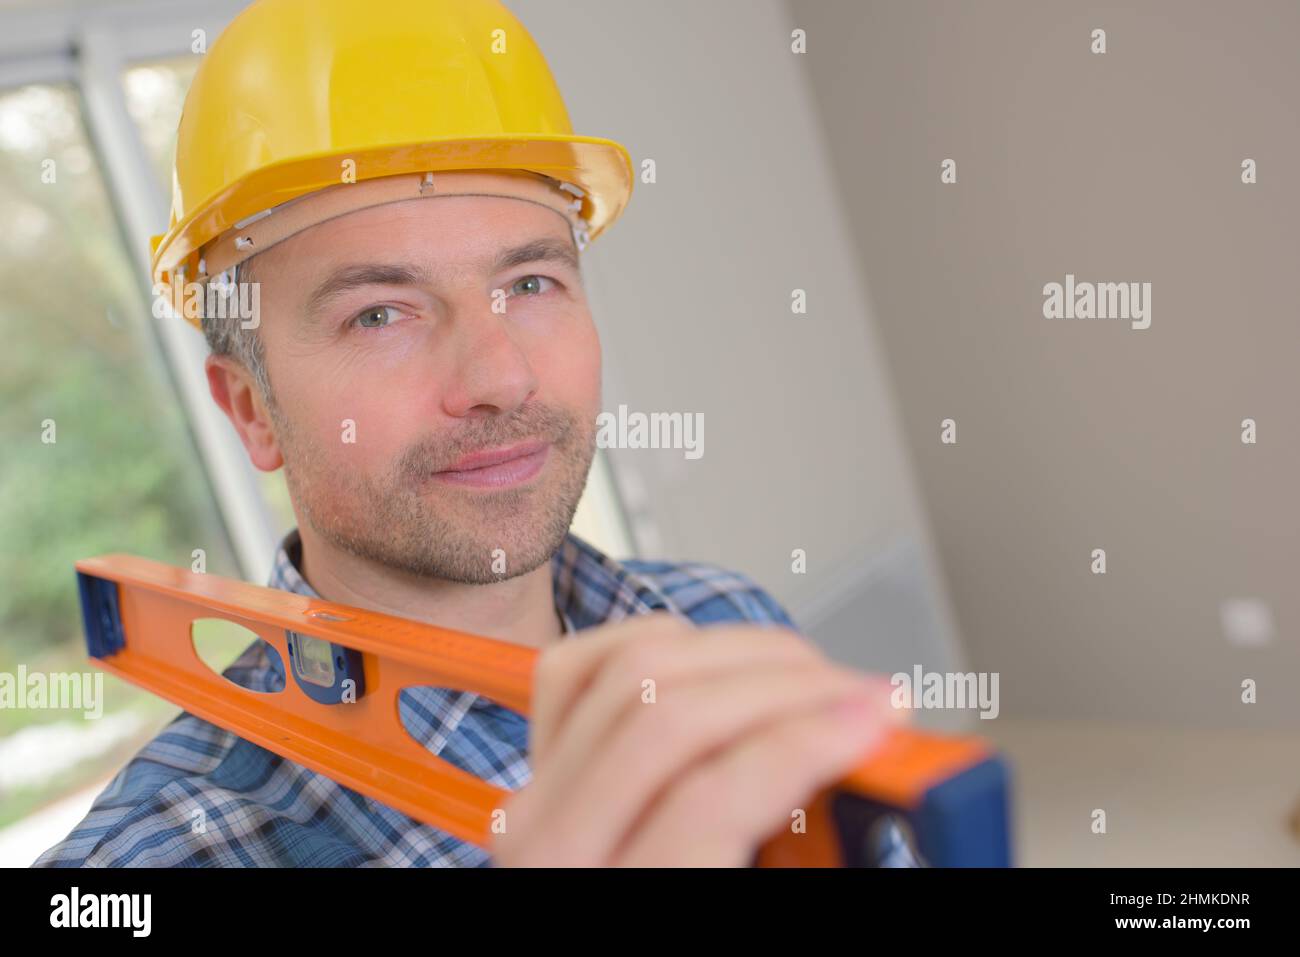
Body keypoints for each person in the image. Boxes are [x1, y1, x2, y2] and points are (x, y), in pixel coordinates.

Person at [34, 0, 910, 867]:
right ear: (251, 410)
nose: (500, 377)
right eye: (380, 313)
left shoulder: (724, 622)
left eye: (530, 283)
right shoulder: (145, 863)